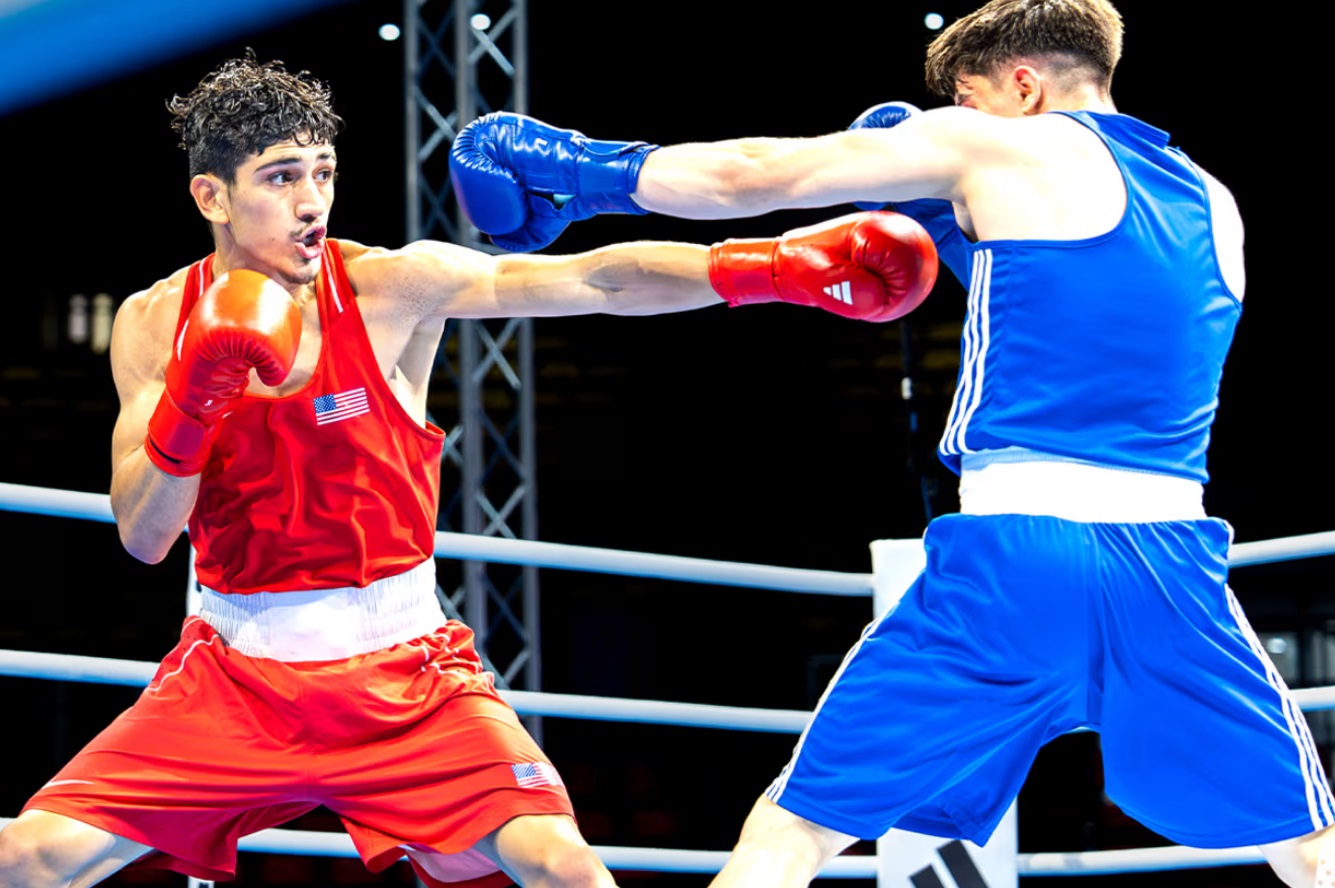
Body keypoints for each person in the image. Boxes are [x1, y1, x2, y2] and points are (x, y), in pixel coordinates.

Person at [446, 0, 1335, 885]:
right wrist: (956, 232)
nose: (960, 121)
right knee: (1307, 842)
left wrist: (589, 170)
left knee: (795, 830)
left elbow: (750, 174)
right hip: (1172, 560)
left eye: (969, 97)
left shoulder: (1001, 143)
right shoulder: (1211, 199)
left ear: (1021, 85)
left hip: (1016, 555)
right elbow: (1089, 318)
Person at [0, 54, 938, 888]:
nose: (311, 202)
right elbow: (144, 533)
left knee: (564, 866)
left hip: (408, 675)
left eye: (321, 173)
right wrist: (197, 398)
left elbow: (596, 282)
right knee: (29, 857)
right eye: (280, 178)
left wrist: (766, 267)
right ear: (211, 197)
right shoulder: (155, 322)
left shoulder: (389, 287)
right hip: (233, 673)